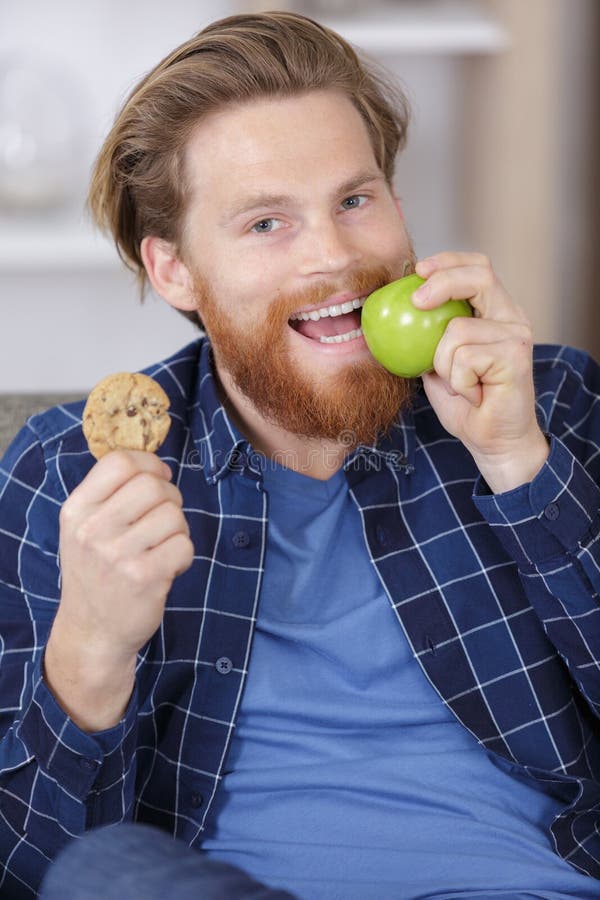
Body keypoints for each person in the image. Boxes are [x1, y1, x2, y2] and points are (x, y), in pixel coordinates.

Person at [1, 10, 600, 900]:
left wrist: (522, 468)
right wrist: (90, 648)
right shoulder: (66, 479)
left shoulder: (545, 406)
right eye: (266, 224)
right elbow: (24, 869)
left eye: (354, 201)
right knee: (108, 874)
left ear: (397, 206)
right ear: (174, 271)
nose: (334, 257)